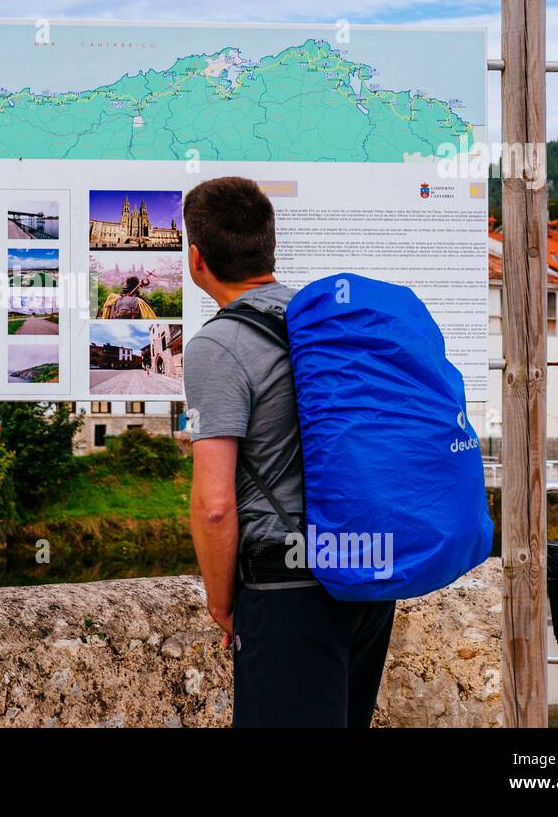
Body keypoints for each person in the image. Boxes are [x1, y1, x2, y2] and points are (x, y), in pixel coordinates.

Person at [181, 175, 395, 728]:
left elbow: (213, 503)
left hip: (287, 589)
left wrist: (222, 602)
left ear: (196, 259)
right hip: (364, 574)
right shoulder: (322, 323)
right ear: (269, 246)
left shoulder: (218, 344)